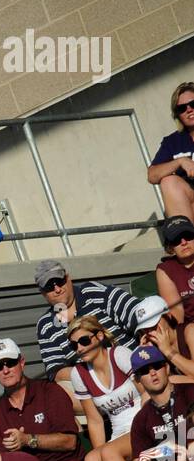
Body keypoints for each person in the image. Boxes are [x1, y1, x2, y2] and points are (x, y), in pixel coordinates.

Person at [0, 337, 84, 461]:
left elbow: (70, 441)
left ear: (22, 362)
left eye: (10, 363)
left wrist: (27, 439)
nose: (5, 370)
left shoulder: (49, 391)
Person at [32, 259, 139, 389]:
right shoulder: (46, 325)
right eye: (49, 287)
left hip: (134, 364)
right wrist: (96, 374)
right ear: (43, 293)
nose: (57, 289)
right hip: (95, 383)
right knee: (63, 389)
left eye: (59, 281)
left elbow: (138, 312)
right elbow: (56, 371)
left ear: (68, 278)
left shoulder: (93, 292)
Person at [66, 316, 140, 461]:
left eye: (84, 341)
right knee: (92, 459)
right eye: (74, 345)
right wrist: (99, 454)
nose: (80, 348)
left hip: (142, 423)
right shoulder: (79, 374)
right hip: (118, 435)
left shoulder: (119, 354)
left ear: (99, 336)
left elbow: (146, 392)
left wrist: (144, 429)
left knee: (108, 453)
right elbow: (95, 420)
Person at [128, 345, 194, 461]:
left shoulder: (191, 393)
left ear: (167, 367)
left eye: (157, 366)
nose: (152, 373)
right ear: (137, 379)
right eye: (144, 371)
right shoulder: (141, 420)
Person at [147, 82, 194, 227]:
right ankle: (188, 240)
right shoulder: (173, 142)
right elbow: (152, 175)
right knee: (168, 181)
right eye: (182, 108)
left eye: (193, 104)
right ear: (177, 115)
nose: (189, 109)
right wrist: (181, 162)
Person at [157, 215, 194, 357]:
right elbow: (178, 316)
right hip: (190, 331)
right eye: (177, 240)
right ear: (170, 247)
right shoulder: (166, 269)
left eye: (188, 236)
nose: (184, 242)